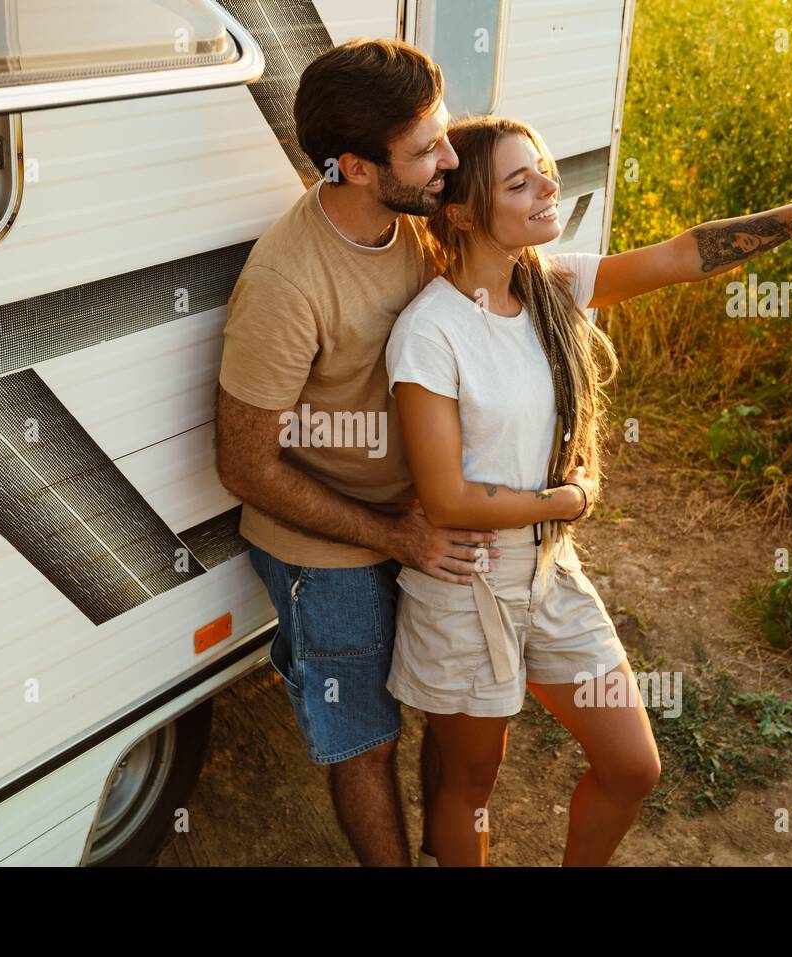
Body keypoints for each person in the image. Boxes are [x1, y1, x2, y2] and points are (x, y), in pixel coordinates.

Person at [386, 115, 792, 866]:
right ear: (459, 211)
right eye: (519, 182)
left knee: (632, 766)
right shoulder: (429, 331)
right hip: (468, 582)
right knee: (470, 780)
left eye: (544, 169)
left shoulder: (551, 286)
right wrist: (567, 502)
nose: (547, 187)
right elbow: (449, 497)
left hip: (552, 573)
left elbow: (690, 254)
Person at [214, 39, 498, 867]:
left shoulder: (417, 214)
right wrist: (395, 536)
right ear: (356, 168)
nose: (450, 161)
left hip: (420, 518)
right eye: (426, 150)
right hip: (327, 551)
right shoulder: (287, 283)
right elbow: (247, 468)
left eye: (442, 135)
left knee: (449, 707)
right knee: (365, 740)